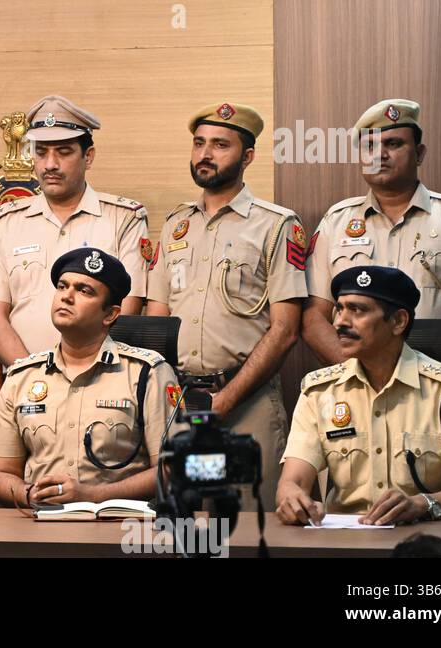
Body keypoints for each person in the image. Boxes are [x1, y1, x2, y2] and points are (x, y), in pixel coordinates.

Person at [146, 102, 306, 507]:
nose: (205, 154)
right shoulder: (175, 225)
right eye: (199, 143)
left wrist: (225, 401)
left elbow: (286, 329)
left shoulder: (276, 225)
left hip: (246, 406)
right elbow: (157, 317)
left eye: (220, 145)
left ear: (247, 156)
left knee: (249, 528)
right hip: (181, 404)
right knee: (189, 527)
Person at [277, 266, 441, 526]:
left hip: (420, 541)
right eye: (339, 309)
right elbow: (293, 481)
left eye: (357, 310)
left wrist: (421, 503)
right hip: (345, 544)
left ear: (398, 322)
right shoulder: (319, 392)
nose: (339, 322)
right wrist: (292, 497)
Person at [302, 99, 441, 368]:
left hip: (439, 383)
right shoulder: (335, 222)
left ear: (419, 154)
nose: (380, 155)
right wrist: (358, 372)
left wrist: (418, 376)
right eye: (370, 146)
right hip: (355, 386)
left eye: (394, 144)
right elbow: (314, 316)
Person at [0, 248, 178, 507]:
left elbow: (171, 471)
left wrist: (92, 497)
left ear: (110, 314)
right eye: (63, 286)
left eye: (84, 290)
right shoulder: (22, 377)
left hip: (118, 528)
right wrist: (30, 494)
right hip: (40, 525)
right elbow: (0, 473)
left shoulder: (148, 373)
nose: (67, 296)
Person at [0, 94, 150, 367]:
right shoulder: (6, 222)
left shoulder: (124, 219)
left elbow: (127, 310)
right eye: (41, 151)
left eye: (64, 152)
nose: (50, 164)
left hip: (101, 379)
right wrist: (34, 375)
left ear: (88, 157)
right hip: (24, 385)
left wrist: (82, 369)